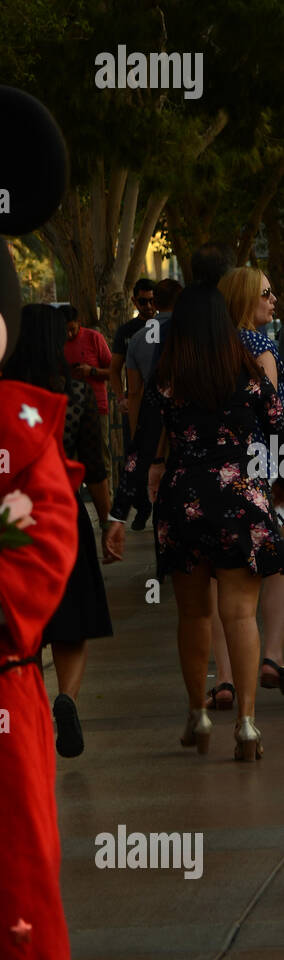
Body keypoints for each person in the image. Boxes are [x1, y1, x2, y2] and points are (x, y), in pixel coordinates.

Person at [104, 284, 284, 761]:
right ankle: (246, 725)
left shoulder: (167, 381)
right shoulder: (249, 378)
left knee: (194, 615)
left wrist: (118, 514)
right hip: (241, 501)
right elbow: (278, 428)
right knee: (241, 615)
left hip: (183, 504)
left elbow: (140, 453)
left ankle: (197, 714)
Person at [3, 305, 113, 757]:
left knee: (23, 629)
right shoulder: (77, 394)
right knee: (72, 622)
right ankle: (66, 699)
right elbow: (94, 468)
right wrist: (109, 522)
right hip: (63, 518)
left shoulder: (0, 397)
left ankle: (26, 713)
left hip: (11, 522)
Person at [206, 268, 284, 704]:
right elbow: (272, 416)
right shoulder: (260, 345)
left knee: (219, 576)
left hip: (213, 471)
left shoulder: (208, 348)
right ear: (244, 298)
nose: (273, 301)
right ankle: (271, 656)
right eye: (266, 294)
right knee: (273, 561)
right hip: (261, 467)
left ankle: (225, 677)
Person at [122, 278, 184, 530]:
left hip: (151, 422)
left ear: (155, 303)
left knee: (156, 484)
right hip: (185, 422)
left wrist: (139, 432)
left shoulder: (137, 339)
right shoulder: (189, 332)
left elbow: (134, 391)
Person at [60, 304, 113, 479]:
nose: (68, 335)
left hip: (97, 407)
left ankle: (107, 503)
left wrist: (91, 371)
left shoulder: (94, 338)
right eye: (64, 331)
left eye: (72, 330)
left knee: (100, 459)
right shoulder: (56, 342)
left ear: (78, 323)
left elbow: (114, 371)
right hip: (67, 410)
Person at [109, 277, 156, 438]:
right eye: (143, 302)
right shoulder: (126, 331)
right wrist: (121, 398)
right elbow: (114, 369)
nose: (149, 306)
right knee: (134, 451)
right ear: (134, 301)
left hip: (163, 401)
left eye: (152, 300)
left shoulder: (167, 326)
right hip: (135, 400)